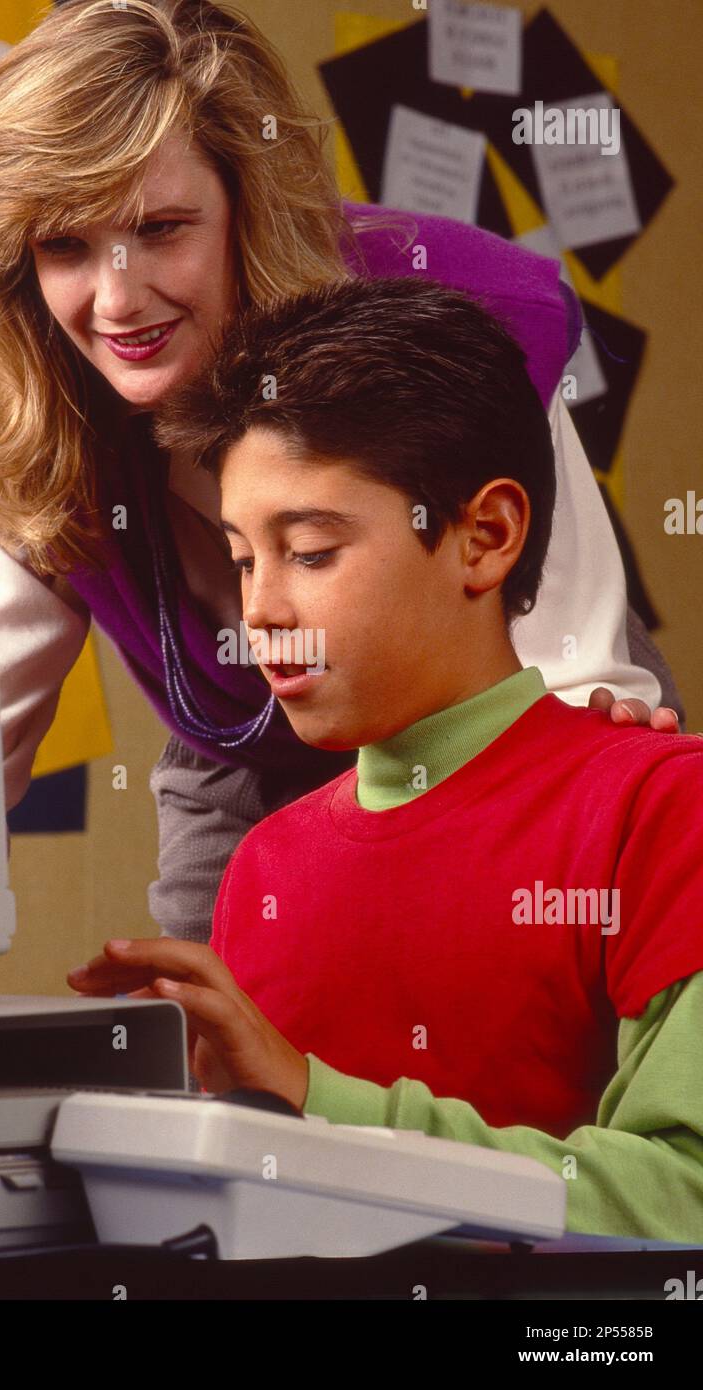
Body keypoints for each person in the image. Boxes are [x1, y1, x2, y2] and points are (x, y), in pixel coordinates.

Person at [0, 0, 681, 950]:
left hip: (515, 715)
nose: (116, 300)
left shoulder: (458, 312)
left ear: (247, 205)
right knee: (220, 1033)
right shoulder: (37, 403)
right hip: (239, 741)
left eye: (161, 228)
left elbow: (576, 680)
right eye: (65, 245)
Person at [68, 276, 703, 1241]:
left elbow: (685, 1197)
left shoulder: (662, 809)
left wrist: (319, 1104)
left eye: (313, 551)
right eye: (244, 559)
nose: (261, 613)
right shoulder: (261, 869)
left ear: (484, 538)